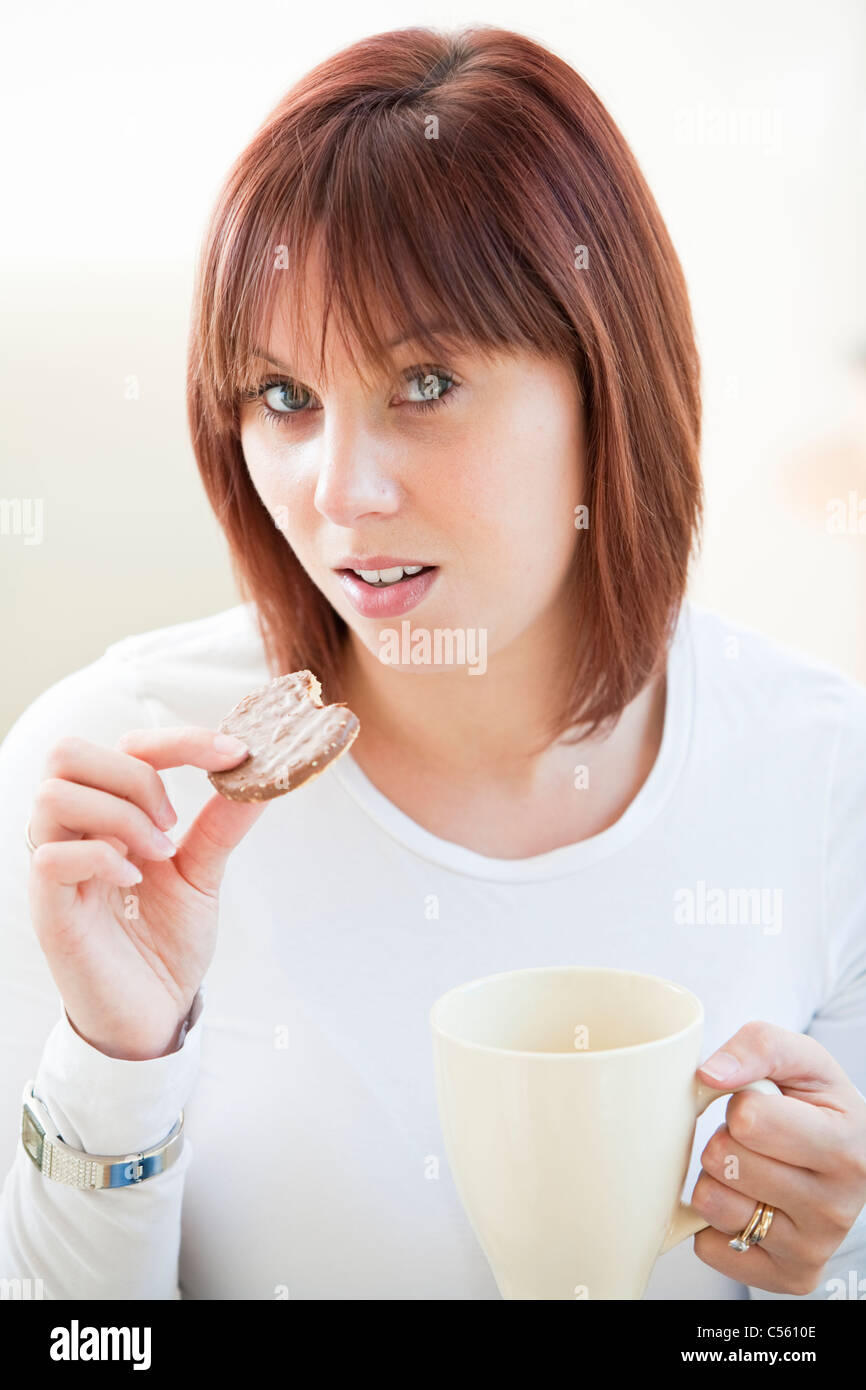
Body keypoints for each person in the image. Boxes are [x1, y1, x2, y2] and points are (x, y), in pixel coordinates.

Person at [1, 24, 864, 1302]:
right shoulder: (110, 793)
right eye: (283, 398)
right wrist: (117, 1060)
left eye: (423, 380)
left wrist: (828, 1268)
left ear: (601, 380)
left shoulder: (823, 773)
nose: (339, 493)